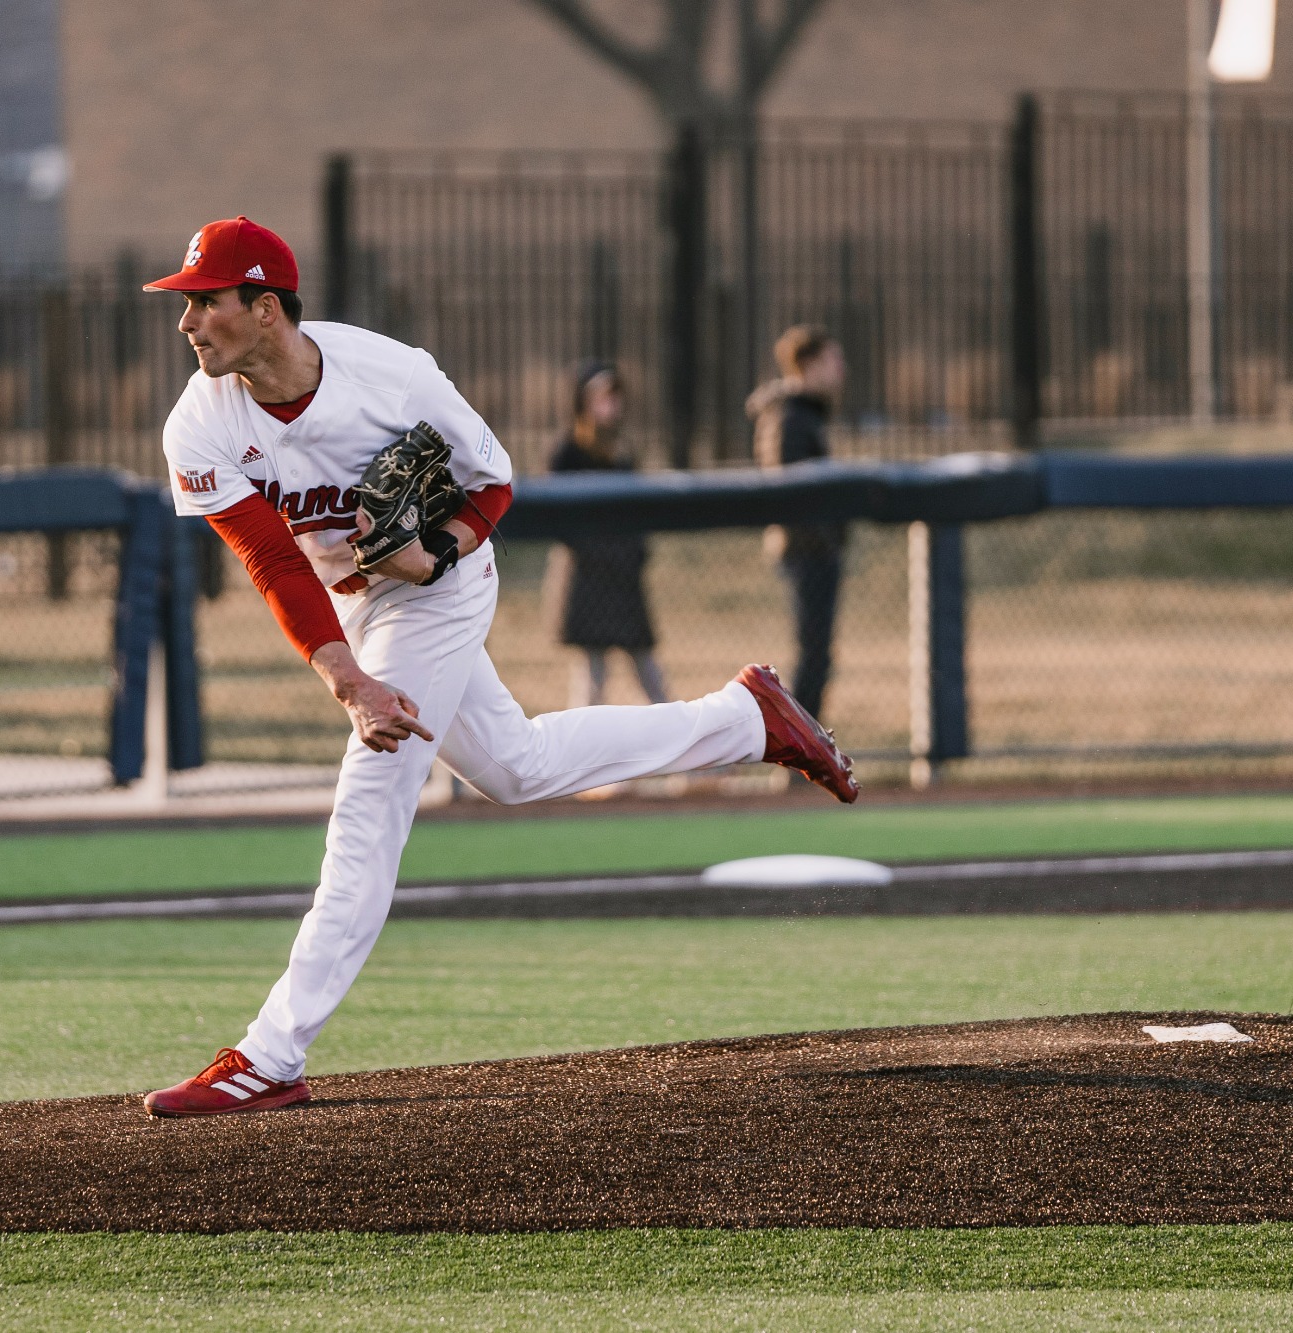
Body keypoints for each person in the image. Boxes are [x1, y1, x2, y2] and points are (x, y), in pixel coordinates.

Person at [139, 217, 858, 1119]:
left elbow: (494, 481)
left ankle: (271, 1054)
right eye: (187, 303)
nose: (187, 321)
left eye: (205, 301)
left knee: (373, 794)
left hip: (439, 588)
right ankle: (748, 720)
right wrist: (347, 677)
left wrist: (432, 553)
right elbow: (273, 563)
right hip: (356, 607)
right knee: (517, 767)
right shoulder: (198, 424)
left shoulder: (390, 374)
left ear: (268, 308)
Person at [544, 361, 669, 707]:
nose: (610, 406)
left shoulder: (623, 450)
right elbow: (559, 519)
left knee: (649, 673)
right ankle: (581, 758)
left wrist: (637, 554)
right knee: (592, 677)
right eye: (601, 398)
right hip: (588, 578)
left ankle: (696, 758)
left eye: (615, 398)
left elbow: (636, 513)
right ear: (582, 402)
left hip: (624, 578)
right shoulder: (566, 452)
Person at [746, 325, 849, 721]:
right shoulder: (789, 417)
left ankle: (806, 746)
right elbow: (786, 489)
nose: (841, 368)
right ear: (808, 365)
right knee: (813, 652)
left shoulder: (807, 414)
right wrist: (822, 536)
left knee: (818, 651)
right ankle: (800, 750)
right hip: (807, 551)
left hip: (818, 548)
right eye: (832, 360)